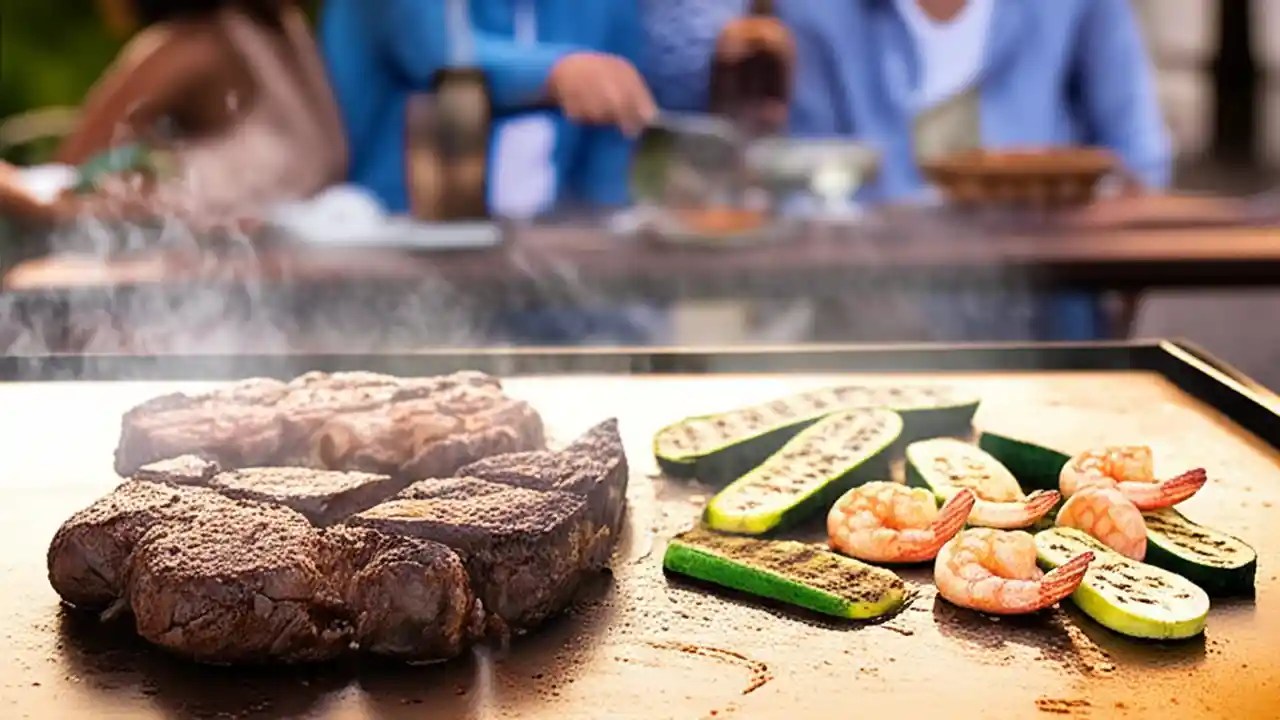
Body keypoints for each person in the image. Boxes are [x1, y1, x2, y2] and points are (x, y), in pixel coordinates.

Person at [640, 0, 1172, 341]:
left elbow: (1139, 157)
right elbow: (798, 176)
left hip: (1050, 297)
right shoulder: (815, 12)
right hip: (877, 303)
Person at [0, 0, 347, 229]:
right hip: (301, 272)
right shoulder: (281, 34)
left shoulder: (191, 50)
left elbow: (67, 179)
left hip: (210, 273)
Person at [319, 0, 657, 217]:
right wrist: (558, 72)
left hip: (545, 251)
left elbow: (610, 151)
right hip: (386, 244)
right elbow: (433, 55)